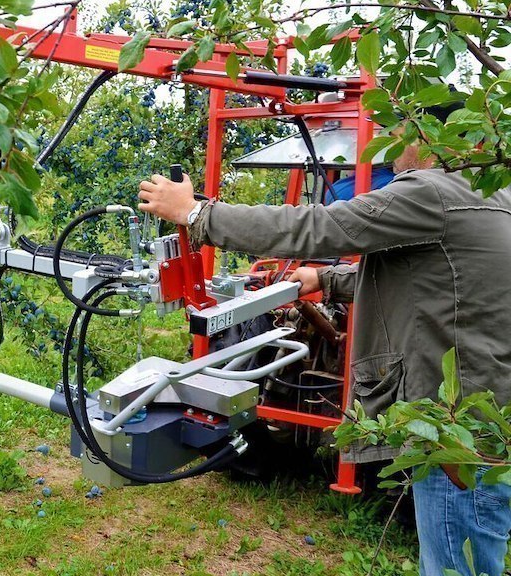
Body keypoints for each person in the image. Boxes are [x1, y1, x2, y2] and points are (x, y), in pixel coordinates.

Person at [138, 117, 511, 576]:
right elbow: (430, 281)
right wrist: (327, 277)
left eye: (394, 133)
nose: (385, 147)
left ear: (425, 137)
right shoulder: (494, 195)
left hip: (457, 429)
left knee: (456, 564)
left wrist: (196, 213)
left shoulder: (430, 191)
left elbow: (318, 227)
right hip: (490, 413)